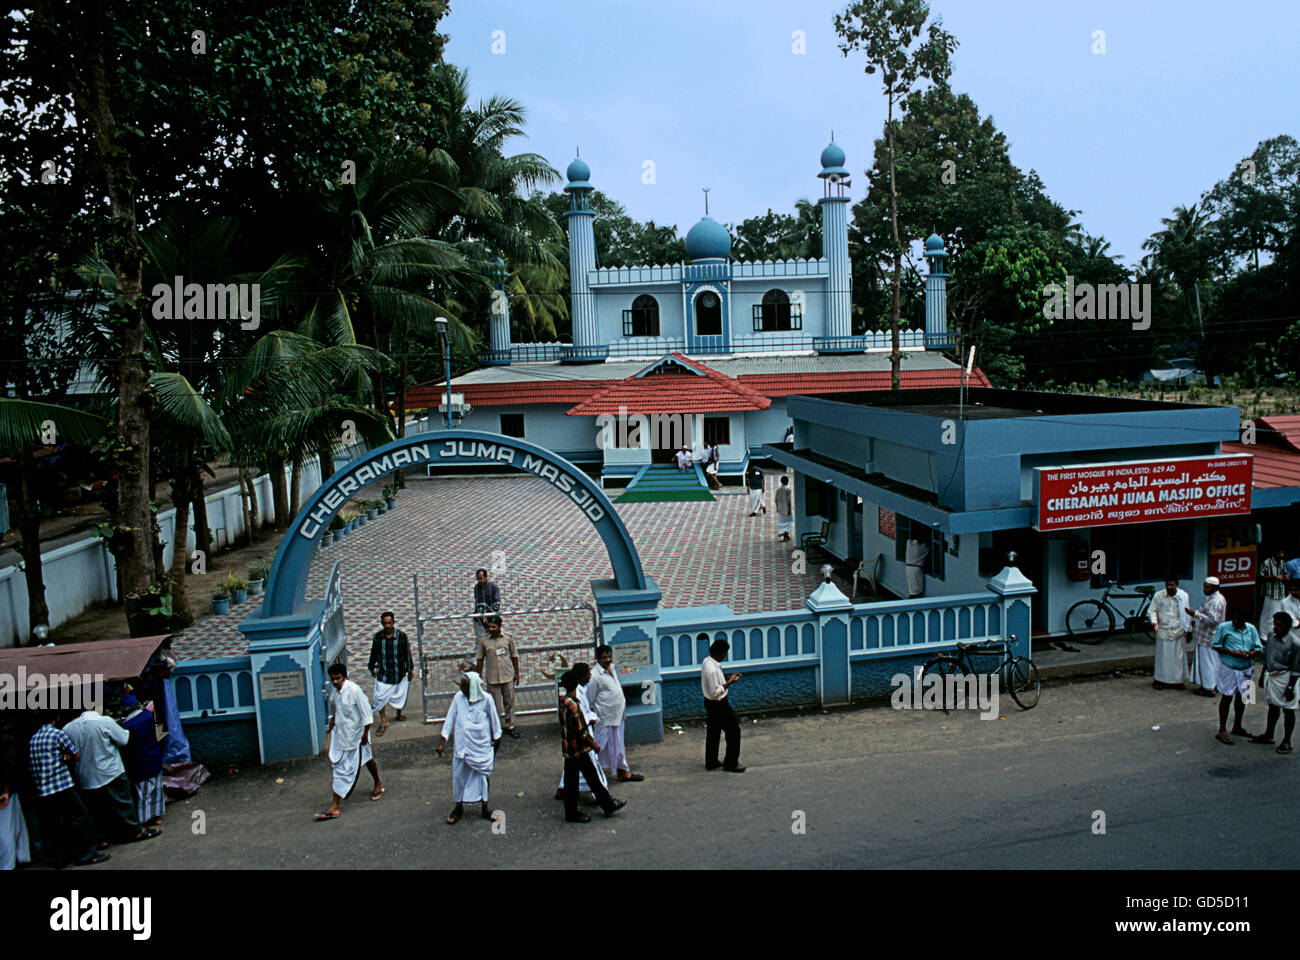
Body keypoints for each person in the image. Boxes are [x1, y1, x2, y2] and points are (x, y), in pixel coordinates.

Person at [63, 703, 158, 846]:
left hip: (86, 776)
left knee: (96, 810)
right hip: (110, 771)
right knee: (122, 804)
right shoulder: (104, 721)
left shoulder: (68, 728)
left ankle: (102, 839)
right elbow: (124, 740)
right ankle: (135, 831)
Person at [28, 714, 104, 867]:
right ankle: (87, 854)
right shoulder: (57, 734)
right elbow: (76, 755)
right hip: (62, 785)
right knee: (79, 817)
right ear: (56, 717)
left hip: (44, 790)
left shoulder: (34, 739)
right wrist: (66, 757)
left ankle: (61, 858)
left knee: (54, 825)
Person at [316, 663, 382, 820]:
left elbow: (367, 715)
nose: (335, 682)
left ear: (344, 677)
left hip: (358, 737)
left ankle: (335, 806)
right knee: (348, 765)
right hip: (343, 737)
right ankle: (337, 804)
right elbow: (341, 711)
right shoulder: (337, 692)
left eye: (338, 678)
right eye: (333, 679)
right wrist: (334, 720)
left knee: (350, 768)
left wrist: (365, 735)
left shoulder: (354, 691)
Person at [558, 669, 625, 823]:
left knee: (574, 781)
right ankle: (604, 806)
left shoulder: (564, 702)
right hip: (579, 748)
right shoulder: (574, 706)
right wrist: (593, 744)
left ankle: (582, 810)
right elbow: (580, 731)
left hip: (569, 748)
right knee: (589, 778)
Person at [435, 671, 501, 824]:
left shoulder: (487, 699)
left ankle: (485, 808)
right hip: (462, 748)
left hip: (481, 748)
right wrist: (442, 742)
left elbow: (496, 725)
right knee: (458, 777)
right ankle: (458, 807)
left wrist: (493, 751)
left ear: (473, 688)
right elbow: (450, 720)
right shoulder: (458, 698)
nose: (461, 689)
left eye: (464, 687)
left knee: (483, 777)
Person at [553, 662, 610, 799]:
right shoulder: (574, 701)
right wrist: (592, 743)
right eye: (587, 674)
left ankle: (564, 791)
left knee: (572, 773)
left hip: (572, 746)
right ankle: (605, 799)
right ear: (580, 677)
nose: (590, 675)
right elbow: (580, 725)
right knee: (592, 771)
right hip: (580, 743)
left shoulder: (567, 699)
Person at [588, 645, 644, 783]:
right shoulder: (594, 676)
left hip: (617, 716)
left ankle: (623, 772)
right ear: (598, 659)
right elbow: (590, 699)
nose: (608, 659)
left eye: (609, 656)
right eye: (604, 657)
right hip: (605, 719)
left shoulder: (612, 668)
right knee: (599, 746)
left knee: (618, 746)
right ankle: (588, 774)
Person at [1210, 608, 1262, 744]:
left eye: (1239, 619)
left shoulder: (1251, 629)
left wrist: (1251, 653)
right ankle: (1222, 729)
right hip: (1229, 668)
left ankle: (1237, 726)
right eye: (1234, 618)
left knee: (1243, 698)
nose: (1236, 621)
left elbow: (1259, 647)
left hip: (1246, 668)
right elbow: (1215, 645)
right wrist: (1231, 652)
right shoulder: (1224, 627)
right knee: (1226, 697)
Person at [1250, 611, 1299, 754]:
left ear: (1288, 627)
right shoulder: (1271, 637)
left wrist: (1290, 687)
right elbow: (1267, 658)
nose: (1276, 628)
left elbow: (1296, 668)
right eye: (1275, 625)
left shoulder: (1295, 643)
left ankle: (1287, 741)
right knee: (1272, 706)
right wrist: (1262, 675)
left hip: (1286, 678)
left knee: (1288, 709)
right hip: (1271, 676)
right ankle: (1269, 734)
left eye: (1280, 625)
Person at [118, 695, 165, 827]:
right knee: (156, 790)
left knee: (144, 795)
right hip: (154, 757)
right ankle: (157, 816)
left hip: (140, 763)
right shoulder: (148, 716)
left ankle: (144, 820)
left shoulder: (128, 726)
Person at [701, 634, 744, 772]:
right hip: (719, 704)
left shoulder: (707, 662)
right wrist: (730, 682)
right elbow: (716, 692)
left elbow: (715, 681)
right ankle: (731, 763)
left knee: (713, 733)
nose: (725, 656)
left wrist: (727, 677)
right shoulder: (713, 670)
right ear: (719, 654)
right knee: (733, 731)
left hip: (710, 703)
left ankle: (711, 761)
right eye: (724, 654)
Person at [368, 611, 414, 736]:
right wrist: (371, 667)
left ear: (393, 622)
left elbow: (407, 653)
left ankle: (399, 712)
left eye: (389, 623)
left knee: (399, 694)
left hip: (399, 673)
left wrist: (410, 670)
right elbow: (374, 653)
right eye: (385, 623)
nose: (387, 626)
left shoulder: (402, 637)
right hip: (384, 674)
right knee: (380, 698)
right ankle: (383, 721)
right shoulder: (378, 637)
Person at [476, 616, 521, 738]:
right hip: (492, 677)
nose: (490, 629)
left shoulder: (508, 638)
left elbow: (514, 656)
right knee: (494, 705)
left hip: (507, 675)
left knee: (509, 702)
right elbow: (480, 659)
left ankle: (510, 725)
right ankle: (496, 729)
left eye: (493, 627)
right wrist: (478, 677)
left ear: (500, 627)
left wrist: (517, 673)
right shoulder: (484, 641)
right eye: (489, 627)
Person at [1187, 576, 1227, 696]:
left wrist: (1196, 614)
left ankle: (1209, 688)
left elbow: (1213, 620)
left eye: (1208, 587)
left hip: (1209, 638)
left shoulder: (1216, 601)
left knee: (1208, 664)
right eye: (1204, 586)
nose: (1204, 589)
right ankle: (1213, 685)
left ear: (1215, 588)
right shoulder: (1212, 598)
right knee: (1213, 663)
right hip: (1206, 637)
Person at [1148, 578, 1190, 689]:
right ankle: (1159, 680)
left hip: (1178, 630)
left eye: (1172, 585)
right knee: (1163, 658)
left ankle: (1178, 681)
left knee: (1177, 658)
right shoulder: (1159, 596)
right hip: (1163, 630)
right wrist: (1154, 622)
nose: (1169, 587)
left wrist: (1189, 629)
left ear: (1177, 585)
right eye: (1167, 585)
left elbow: (1187, 614)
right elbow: (1152, 610)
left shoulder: (1183, 596)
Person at [0, 725, 31, 870]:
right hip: (5, 791)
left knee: (11, 825)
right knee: (8, 828)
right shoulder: (6, 740)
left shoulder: (6, 740)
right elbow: (9, 765)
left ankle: (20, 856)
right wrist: (6, 789)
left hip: (6, 790)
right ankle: (13, 860)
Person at [1258, 546, 1289, 640]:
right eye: (1279, 553)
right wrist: (1274, 577)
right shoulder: (1267, 562)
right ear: (1275, 553)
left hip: (1280, 592)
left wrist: (1286, 577)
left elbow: (1285, 574)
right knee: (1268, 615)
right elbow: (1260, 576)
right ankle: (1263, 636)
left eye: (1282, 553)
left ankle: (1275, 633)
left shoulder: (1282, 562)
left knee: (1279, 614)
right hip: (1271, 593)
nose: (1281, 555)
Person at [473, 568, 501, 640]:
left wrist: (487, 614)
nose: (479, 581)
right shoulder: (477, 587)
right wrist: (481, 614)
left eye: (481, 579)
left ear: (486, 577)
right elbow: (477, 601)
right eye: (478, 579)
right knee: (481, 639)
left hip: (491, 619)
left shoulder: (493, 587)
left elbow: (496, 604)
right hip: (479, 618)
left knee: (493, 638)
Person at [775, 475, 794, 541]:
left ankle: (783, 533)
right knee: (790, 522)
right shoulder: (788, 490)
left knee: (781, 522)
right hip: (786, 509)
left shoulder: (778, 490)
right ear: (788, 481)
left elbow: (776, 500)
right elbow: (788, 501)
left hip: (780, 508)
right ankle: (785, 532)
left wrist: (777, 508)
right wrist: (789, 509)